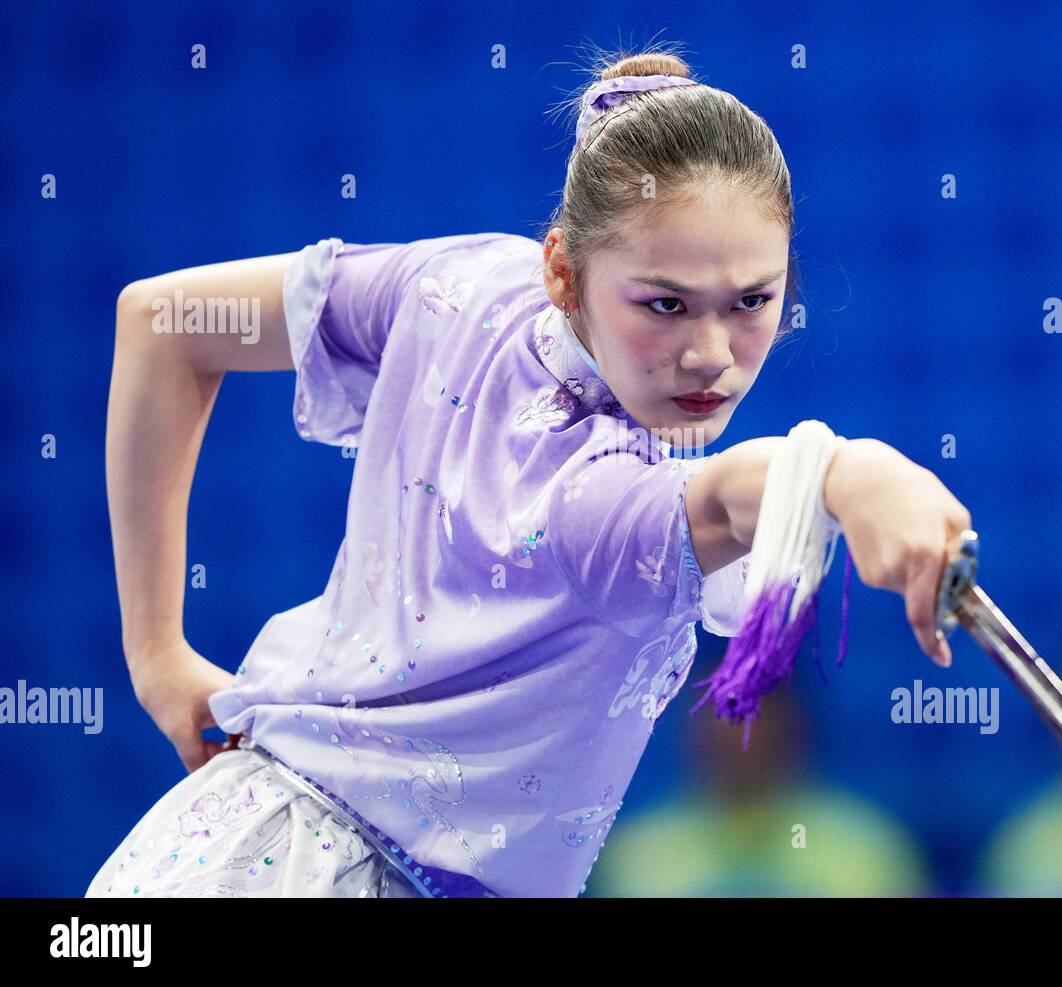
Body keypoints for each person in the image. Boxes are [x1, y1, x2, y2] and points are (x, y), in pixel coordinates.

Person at [87, 45, 971, 899]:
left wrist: (156, 653)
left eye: (751, 302)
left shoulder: (461, 283)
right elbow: (737, 493)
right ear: (564, 269)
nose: (712, 355)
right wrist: (851, 473)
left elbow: (165, 322)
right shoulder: (590, 496)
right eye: (663, 304)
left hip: (232, 839)